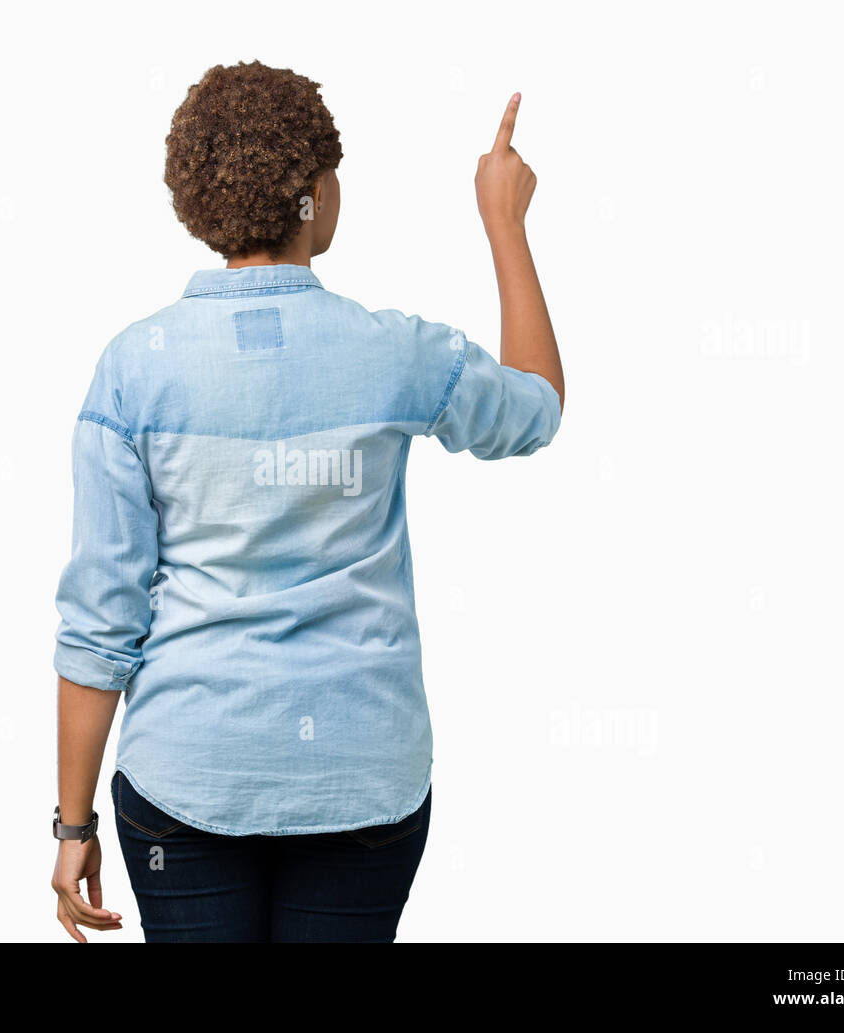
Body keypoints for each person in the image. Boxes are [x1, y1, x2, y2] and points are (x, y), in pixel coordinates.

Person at [49, 60, 564, 943]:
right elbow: (534, 409)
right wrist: (504, 223)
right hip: (362, 786)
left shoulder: (135, 368)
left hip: (184, 781)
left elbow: (101, 620)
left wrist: (73, 826)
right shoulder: (395, 353)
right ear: (316, 194)